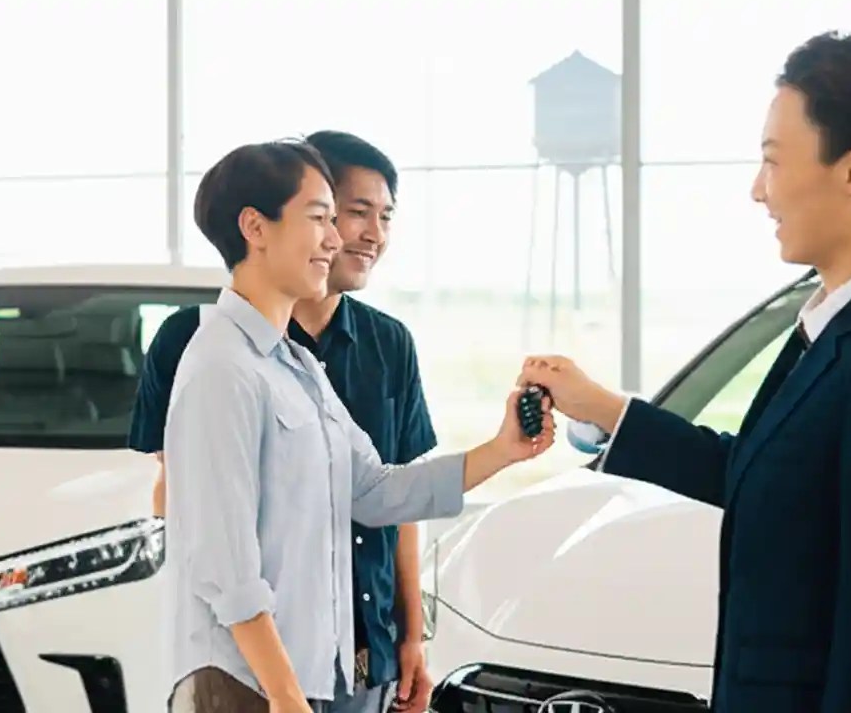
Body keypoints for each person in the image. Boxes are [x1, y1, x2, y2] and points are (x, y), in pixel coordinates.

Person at [520, 31, 851, 713]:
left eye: (771, 161)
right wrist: (609, 410)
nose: (758, 191)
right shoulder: (836, 327)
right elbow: (760, 475)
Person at [163, 139, 554, 713]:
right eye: (320, 218)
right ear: (255, 227)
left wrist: (503, 451)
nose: (335, 239)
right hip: (247, 685)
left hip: (313, 678)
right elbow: (226, 567)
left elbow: (374, 492)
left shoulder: (293, 366)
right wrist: (285, 694)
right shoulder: (220, 367)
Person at [131, 130, 436, 712]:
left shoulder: (389, 344)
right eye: (349, 213)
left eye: (386, 217)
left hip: (366, 649)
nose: (367, 235)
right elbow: (185, 502)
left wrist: (412, 634)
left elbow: (397, 498)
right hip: (257, 657)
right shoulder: (204, 344)